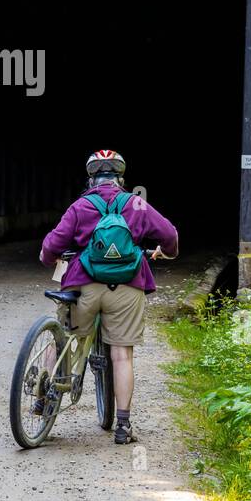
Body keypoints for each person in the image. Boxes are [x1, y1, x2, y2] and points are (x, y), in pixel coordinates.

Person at [39, 149, 178, 445]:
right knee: (121, 353)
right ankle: (123, 426)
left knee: (63, 337)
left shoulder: (80, 206)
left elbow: (53, 244)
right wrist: (166, 252)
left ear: (91, 178)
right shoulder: (137, 204)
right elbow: (170, 235)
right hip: (127, 288)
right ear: (121, 178)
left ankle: (43, 395)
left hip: (83, 287)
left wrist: (48, 257)